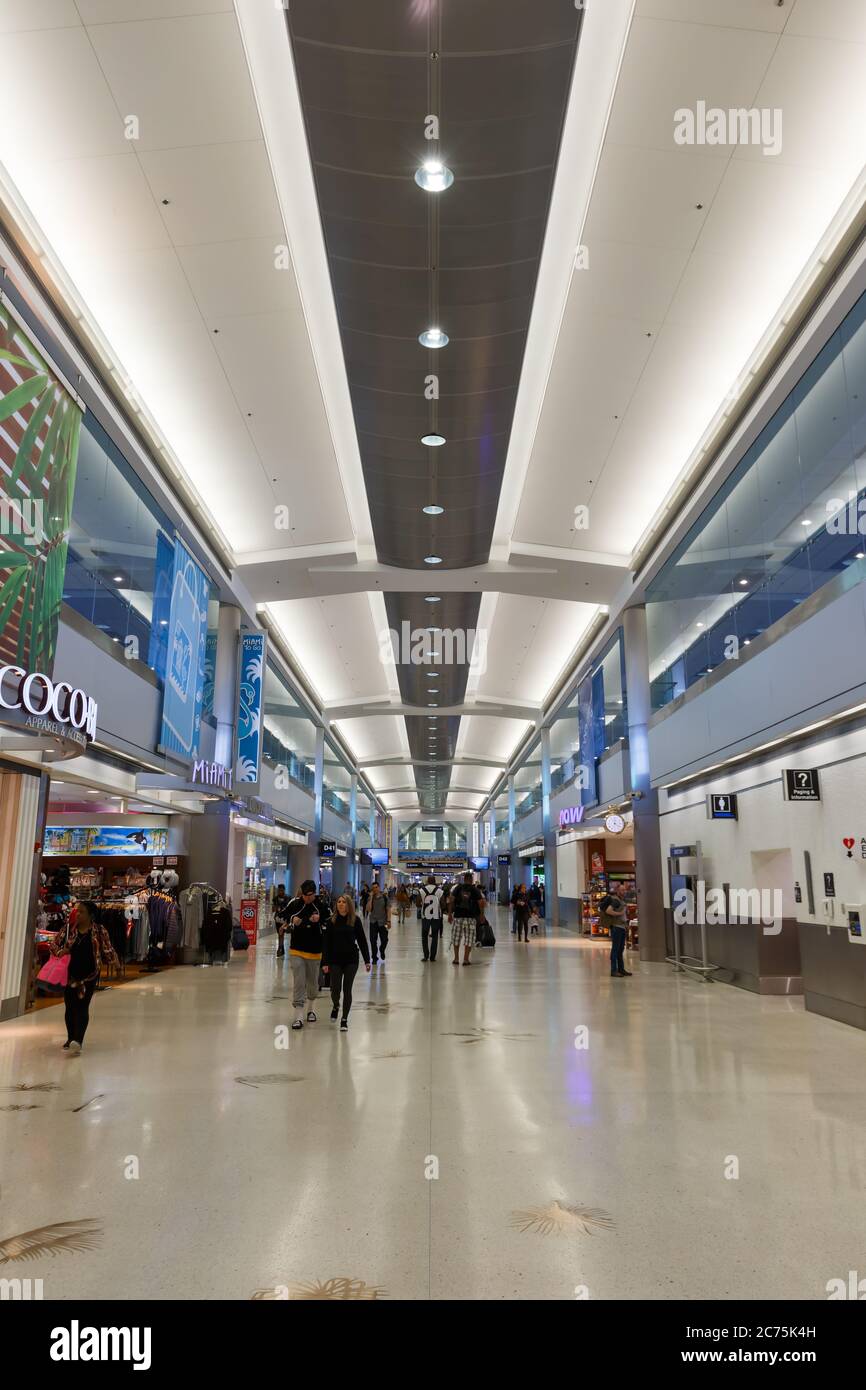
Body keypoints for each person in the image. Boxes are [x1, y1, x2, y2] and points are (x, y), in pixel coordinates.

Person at [51, 900, 119, 1054]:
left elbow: (107, 949)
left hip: (89, 976)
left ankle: (78, 1040)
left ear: (90, 916)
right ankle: (70, 1038)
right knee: (69, 1006)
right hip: (69, 975)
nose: (78, 914)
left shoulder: (99, 931)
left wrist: (113, 960)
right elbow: (54, 945)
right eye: (77, 911)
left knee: (82, 1006)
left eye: (81, 912)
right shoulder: (68, 929)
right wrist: (60, 951)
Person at [322, 894, 371, 1030]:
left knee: (347, 989)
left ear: (348, 905)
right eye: (339, 902)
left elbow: (362, 941)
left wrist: (367, 960)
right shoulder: (331, 921)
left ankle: (344, 1019)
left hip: (351, 960)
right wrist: (325, 962)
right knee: (335, 989)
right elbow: (326, 944)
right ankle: (336, 1005)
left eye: (344, 902)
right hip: (335, 959)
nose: (341, 904)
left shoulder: (355, 920)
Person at [286, 879, 325, 1027]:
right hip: (296, 949)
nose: (307, 898)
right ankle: (298, 1016)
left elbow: (330, 920)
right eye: (305, 895)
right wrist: (291, 919)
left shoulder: (321, 905)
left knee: (312, 983)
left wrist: (319, 919)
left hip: (315, 950)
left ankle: (311, 1009)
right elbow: (281, 915)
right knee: (299, 981)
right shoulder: (294, 903)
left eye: (310, 895)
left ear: (314, 893)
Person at [448, 872, 485, 966]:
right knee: (469, 939)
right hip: (471, 917)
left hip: (458, 917)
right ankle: (465, 959)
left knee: (456, 938)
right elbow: (481, 903)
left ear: (464, 879)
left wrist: (449, 914)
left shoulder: (458, 888)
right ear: (471, 879)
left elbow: (451, 900)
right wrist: (481, 915)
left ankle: (456, 958)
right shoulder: (475, 889)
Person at [601, 892, 631, 978]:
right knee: (615, 949)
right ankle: (614, 970)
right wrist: (619, 914)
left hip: (622, 927)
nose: (624, 891)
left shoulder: (621, 900)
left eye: (625, 889)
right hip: (617, 927)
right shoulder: (616, 901)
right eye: (622, 890)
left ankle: (621, 969)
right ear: (618, 891)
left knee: (620, 949)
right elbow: (608, 911)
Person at [420, 875, 444, 962]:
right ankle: (433, 957)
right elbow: (443, 903)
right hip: (436, 916)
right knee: (435, 936)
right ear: (435, 881)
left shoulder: (422, 890)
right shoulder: (440, 891)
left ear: (427, 881)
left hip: (425, 916)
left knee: (424, 936)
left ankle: (426, 956)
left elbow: (418, 903)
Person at [368, 882, 389, 964]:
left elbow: (388, 909)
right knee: (373, 940)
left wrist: (389, 921)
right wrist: (370, 898)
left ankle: (382, 949)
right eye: (373, 888)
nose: (375, 889)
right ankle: (374, 957)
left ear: (379, 888)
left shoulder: (385, 897)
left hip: (383, 922)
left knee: (385, 940)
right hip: (373, 922)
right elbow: (369, 910)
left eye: (376, 887)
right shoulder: (371, 898)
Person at [272, 884, 290, 957]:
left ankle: (281, 948)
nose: (280, 892)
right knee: (280, 934)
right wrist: (275, 909)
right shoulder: (275, 899)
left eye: (281, 890)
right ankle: (281, 948)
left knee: (284, 933)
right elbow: (273, 909)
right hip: (278, 919)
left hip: (285, 918)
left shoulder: (288, 898)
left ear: (284, 890)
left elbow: (289, 908)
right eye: (279, 890)